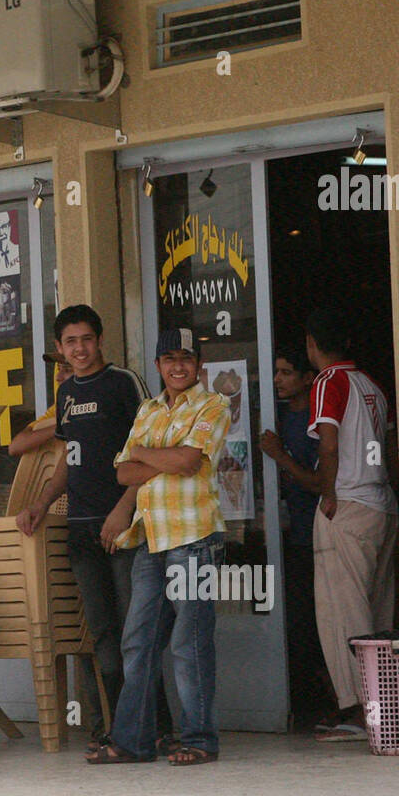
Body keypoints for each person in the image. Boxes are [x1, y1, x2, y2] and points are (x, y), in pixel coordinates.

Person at [15, 305, 160, 746]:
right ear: (60, 349)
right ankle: (119, 729)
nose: (79, 349)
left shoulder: (124, 382)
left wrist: (123, 509)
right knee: (102, 636)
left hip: (123, 527)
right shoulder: (66, 394)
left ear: (99, 341)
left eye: (86, 339)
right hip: (79, 530)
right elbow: (66, 457)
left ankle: (152, 729)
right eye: (70, 342)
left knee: (137, 634)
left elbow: (148, 451)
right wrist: (42, 503)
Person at [89, 327, 231, 767]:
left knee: (189, 643)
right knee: (138, 641)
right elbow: (122, 474)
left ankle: (199, 739)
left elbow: (189, 462)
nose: (178, 365)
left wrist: (148, 455)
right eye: (169, 358)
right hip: (150, 536)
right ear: (157, 365)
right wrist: (163, 455)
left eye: (186, 358)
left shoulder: (213, 403)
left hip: (195, 539)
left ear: (199, 365)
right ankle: (133, 739)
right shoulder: (148, 409)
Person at [305, 308, 399, 743]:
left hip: (347, 504)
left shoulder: (329, 381)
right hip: (381, 505)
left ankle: (361, 712)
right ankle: (387, 707)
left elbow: (328, 440)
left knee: (343, 615)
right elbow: (388, 446)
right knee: (377, 613)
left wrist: (328, 494)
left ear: (313, 344)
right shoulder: (373, 386)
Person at [259, 345, 334, 724]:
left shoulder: (317, 420)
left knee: (315, 624)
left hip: (314, 534)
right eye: (276, 372)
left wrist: (280, 456)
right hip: (282, 534)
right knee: (293, 621)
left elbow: (320, 483)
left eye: (287, 372)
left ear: (308, 378)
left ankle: (326, 702)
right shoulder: (275, 417)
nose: (277, 380)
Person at [8, 352, 69, 457]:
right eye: (59, 369)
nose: (58, 377)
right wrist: (62, 427)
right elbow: (16, 446)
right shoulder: (60, 409)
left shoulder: (102, 402)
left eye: (68, 370)